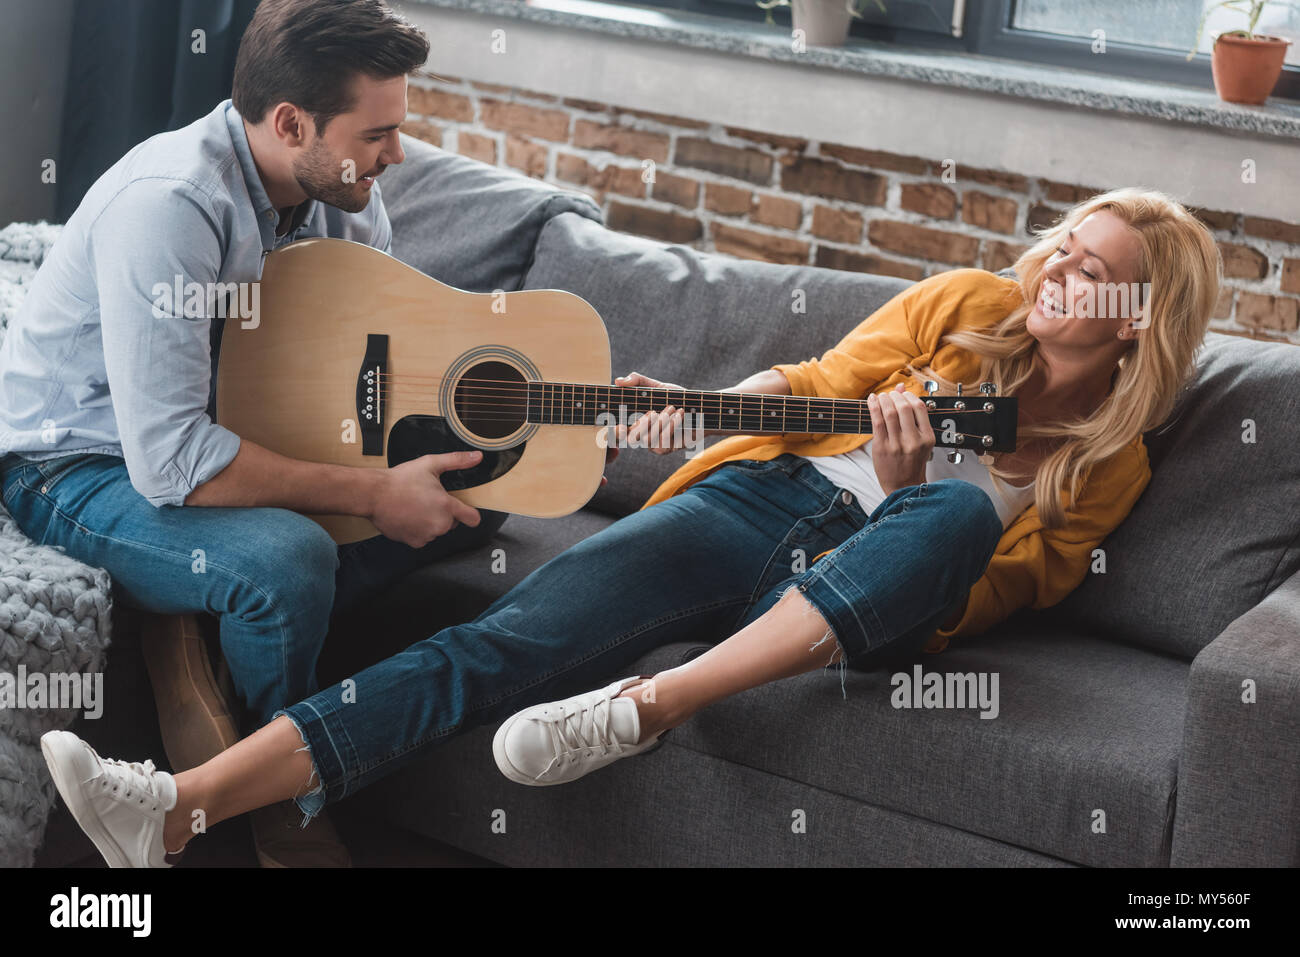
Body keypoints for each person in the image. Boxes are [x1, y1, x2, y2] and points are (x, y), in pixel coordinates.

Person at [39, 187, 1221, 866]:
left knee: (954, 515)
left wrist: (914, 492)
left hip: (863, 604)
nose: (1055, 267)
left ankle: (644, 707)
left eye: (1091, 269)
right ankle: (175, 806)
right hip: (751, 503)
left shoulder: (1105, 465)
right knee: (488, 648)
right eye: (1061, 240)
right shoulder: (965, 308)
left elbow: (984, 599)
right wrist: (704, 415)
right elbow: (813, 380)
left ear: (1135, 320)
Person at [0, 0, 521, 866]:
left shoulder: (346, 200)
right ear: (290, 122)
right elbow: (169, 461)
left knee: (478, 489)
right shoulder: (171, 205)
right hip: (81, 460)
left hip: (235, 433)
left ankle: (194, 626)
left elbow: (376, 378)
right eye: (377, 131)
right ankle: (286, 795)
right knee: (286, 561)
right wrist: (372, 494)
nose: (395, 155)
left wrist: (547, 417)